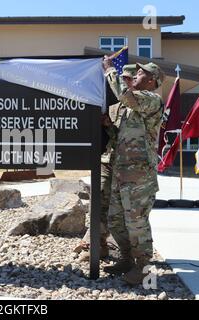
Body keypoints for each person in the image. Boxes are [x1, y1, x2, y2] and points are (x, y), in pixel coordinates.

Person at [102, 57, 165, 285]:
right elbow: (121, 136)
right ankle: (127, 259)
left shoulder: (152, 100)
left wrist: (110, 71)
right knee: (115, 220)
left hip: (140, 179)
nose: (135, 76)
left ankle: (144, 268)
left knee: (136, 222)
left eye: (140, 74)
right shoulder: (130, 107)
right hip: (122, 174)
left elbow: (125, 96)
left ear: (151, 81)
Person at [74, 65, 137, 262]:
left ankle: (132, 255)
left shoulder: (142, 103)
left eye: (129, 79)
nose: (125, 81)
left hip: (131, 165)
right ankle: (96, 243)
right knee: (99, 198)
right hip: (109, 160)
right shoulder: (113, 107)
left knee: (126, 208)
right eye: (123, 78)